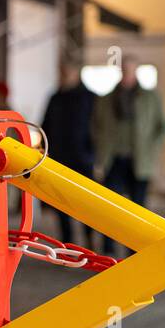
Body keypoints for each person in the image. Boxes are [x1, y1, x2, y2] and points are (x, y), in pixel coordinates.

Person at [91, 56, 165, 256]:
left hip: (140, 161)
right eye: (124, 70)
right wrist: (101, 148)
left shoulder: (150, 98)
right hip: (113, 159)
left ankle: (134, 252)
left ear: (136, 71)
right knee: (110, 208)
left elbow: (163, 127)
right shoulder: (106, 99)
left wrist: (152, 149)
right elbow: (95, 126)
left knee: (138, 209)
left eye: (130, 70)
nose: (126, 73)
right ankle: (107, 251)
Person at [39, 60, 95, 246]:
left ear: (76, 73)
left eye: (66, 73)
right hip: (59, 158)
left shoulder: (90, 98)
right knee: (61, 203)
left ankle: (90, 240)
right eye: (61, 73)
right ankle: (67, 242)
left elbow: (98, 128)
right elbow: (45, 124)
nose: (62, 77)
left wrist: (94, 154)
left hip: (83, 158)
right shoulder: (55, 97)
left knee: (86, 203)